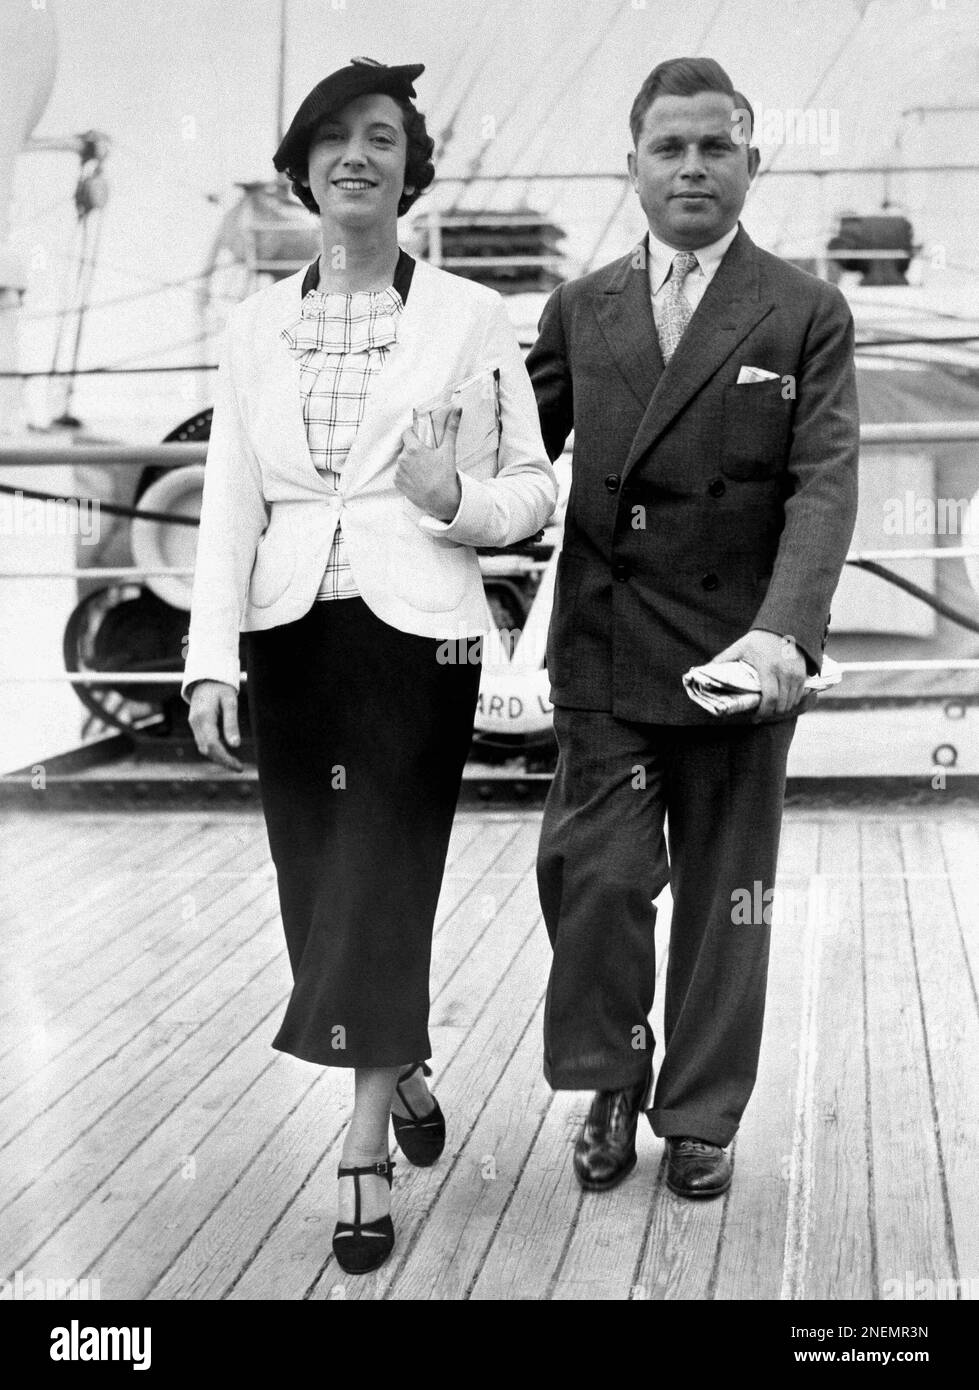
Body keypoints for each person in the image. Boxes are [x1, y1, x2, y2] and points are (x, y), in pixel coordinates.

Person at [182, 57, 556, 1274]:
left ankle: (359, 1141)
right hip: (290, 628)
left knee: (386, 867)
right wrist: (207, 662)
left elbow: (532, 487)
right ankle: (396, 1064)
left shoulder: (471, 316)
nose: (358, 154)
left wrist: (455, 500)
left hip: (420, 632)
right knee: (313, 883)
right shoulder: (251, 329)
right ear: (301, 169)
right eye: (334, 137)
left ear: (410, 167)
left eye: (383, 136)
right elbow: (231, 506)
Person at [527, 57, 858, 1199]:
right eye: (669, 147)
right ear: (632, 168)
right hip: (606, 649)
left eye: (715, 146)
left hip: (739, 655)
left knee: (729, 896)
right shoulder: (581, 306)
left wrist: (783, 636)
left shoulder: (805, 309)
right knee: (595, 880)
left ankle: (701, 1111)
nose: (692, 168)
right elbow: (513, 453)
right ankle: (614, 1072)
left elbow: (823, 486)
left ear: (750, 165)